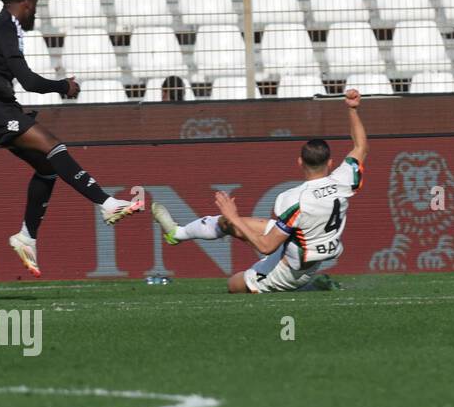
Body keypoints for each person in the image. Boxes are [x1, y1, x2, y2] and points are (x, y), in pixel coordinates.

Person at [0, 0, 146, 278]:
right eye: (34, 4)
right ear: (27, 3)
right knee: (52, 145)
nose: (35, 11)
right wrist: (64, 86)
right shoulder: (5, 27)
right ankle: (107, 203)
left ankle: (26, 236)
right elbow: (29, 81)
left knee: (47, 168)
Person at [151, 90, 368, 294]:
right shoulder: (343, 180)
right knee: (227, 225)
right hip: (300, 241)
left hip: (293, 270)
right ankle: (176, 234)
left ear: (300, 162)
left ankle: (311, 285)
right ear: (330, 163)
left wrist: (234, 217)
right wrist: (353, 109)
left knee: (233, 284)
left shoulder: (294, 199)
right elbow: (360, 147)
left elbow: (266, 247)